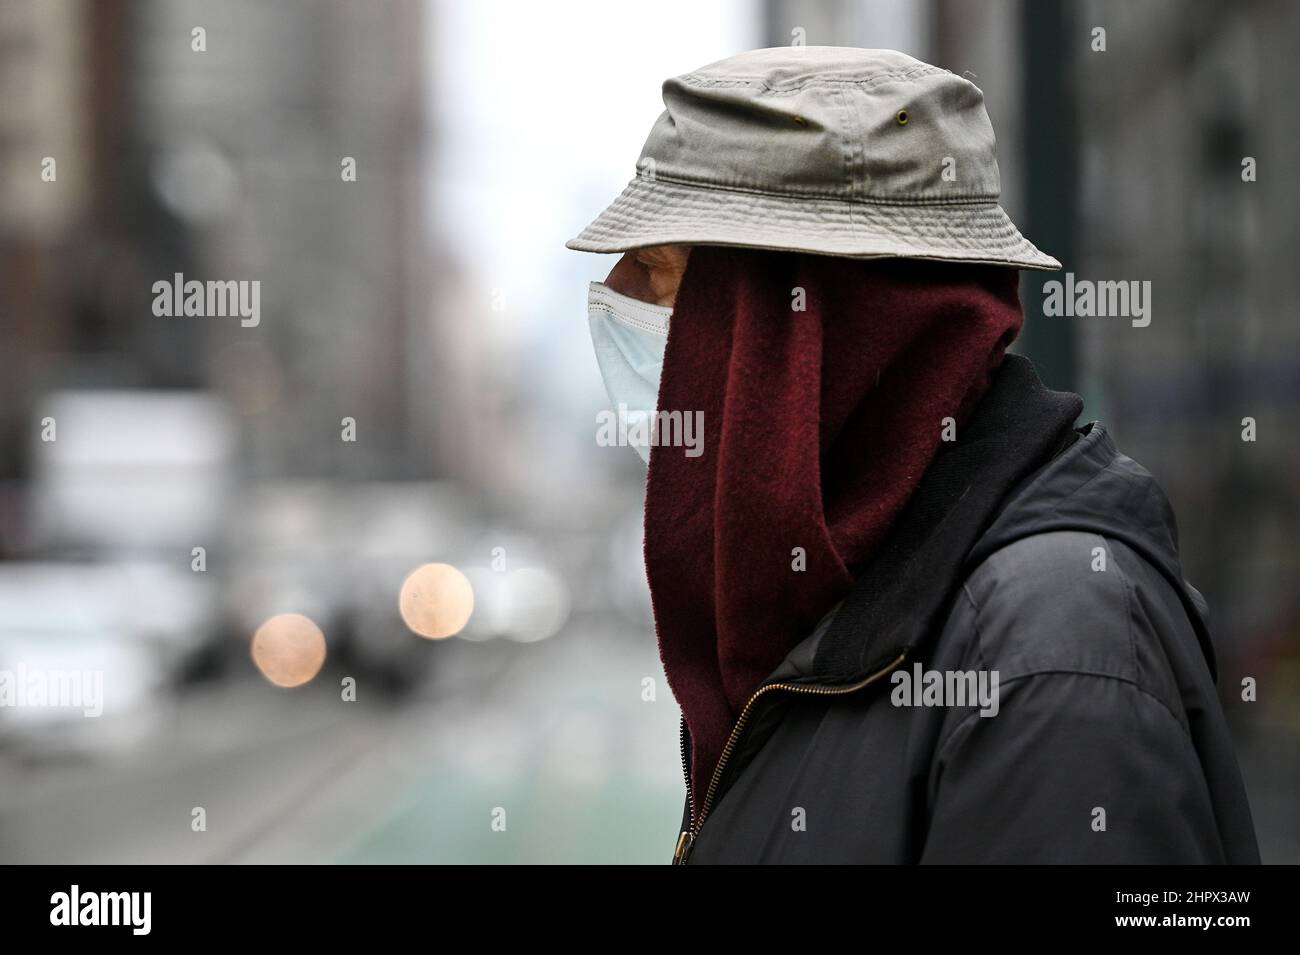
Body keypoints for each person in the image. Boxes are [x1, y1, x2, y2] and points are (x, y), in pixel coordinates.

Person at [566, 47, 1261, 864]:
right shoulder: (828, 589)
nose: (619, 295)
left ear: (802, 330)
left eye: (655, 270)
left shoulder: (1053, 648)